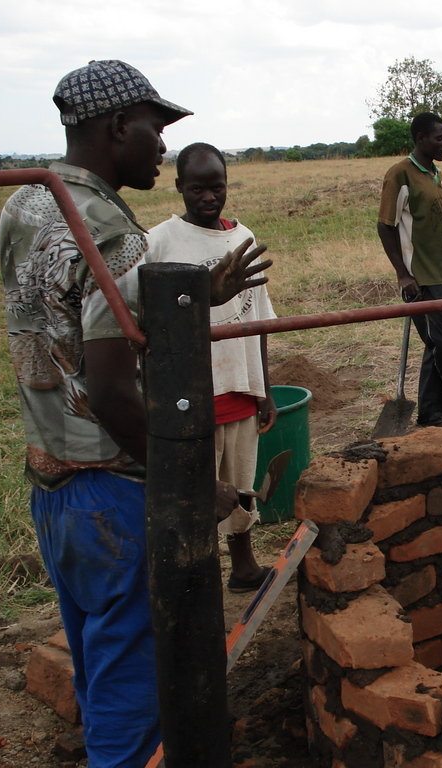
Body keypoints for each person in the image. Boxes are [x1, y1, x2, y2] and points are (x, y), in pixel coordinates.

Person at [0, 60, 269, 767]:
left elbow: (70, 329)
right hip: (114, 490)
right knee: (135, 699)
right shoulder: (113, 231)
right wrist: (185, 483)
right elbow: (114, 387)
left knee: (96, 663)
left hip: (54, 487)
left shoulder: (26, 203)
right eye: (157, 128)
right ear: (119, 126)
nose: (164, 146)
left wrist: (190, 298)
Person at [145, 142, 276, 593]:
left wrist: (265, 389)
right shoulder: (159, 242)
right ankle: (194, 583)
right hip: (189, 392)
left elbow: (258, 321)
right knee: (195, 492)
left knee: (240, 482)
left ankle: (243, 566)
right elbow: (145, 321)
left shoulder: (243, 238)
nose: (208, 197)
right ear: (179, 186)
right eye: (197, 188)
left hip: (239, 385)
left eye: (216, 187)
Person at [377, 113, 442, 429]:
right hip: (422, 277)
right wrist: (403, 274)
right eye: (440, 138)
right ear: (421, 138)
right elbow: (385, 226)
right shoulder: (400, 174)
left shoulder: (435, 173)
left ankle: (432, 413)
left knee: (440, 343)